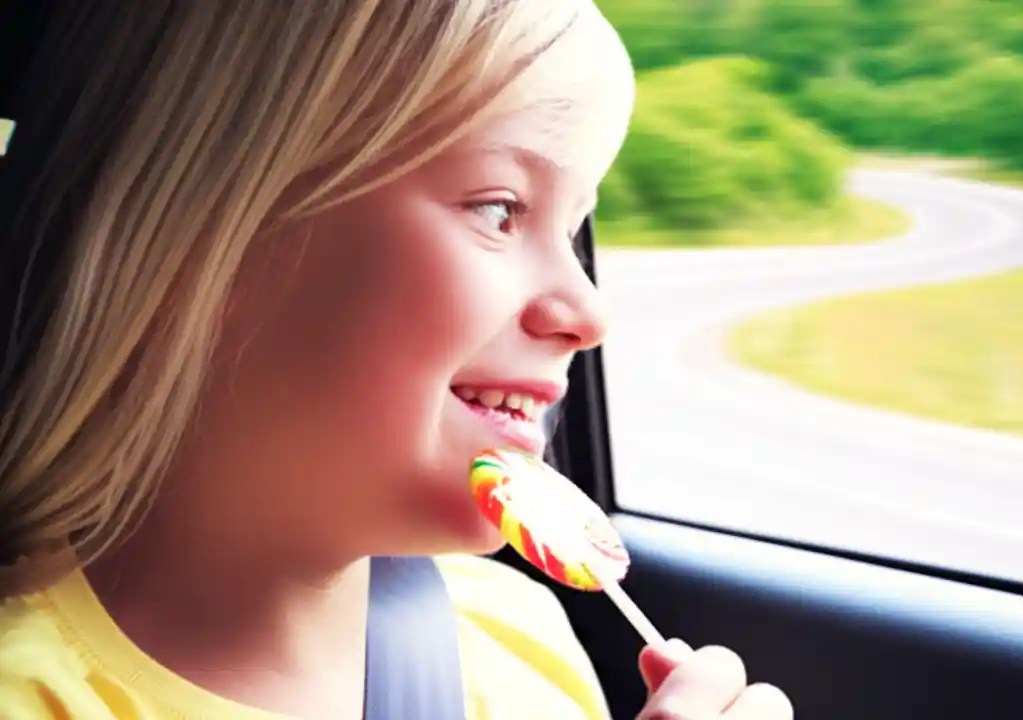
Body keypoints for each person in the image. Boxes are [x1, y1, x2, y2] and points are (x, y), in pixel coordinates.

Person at [0, 1, 794, 718]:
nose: (589, 313)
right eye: (498, 208)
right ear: (201, 245)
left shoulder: (514, 640)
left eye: (576, 228)